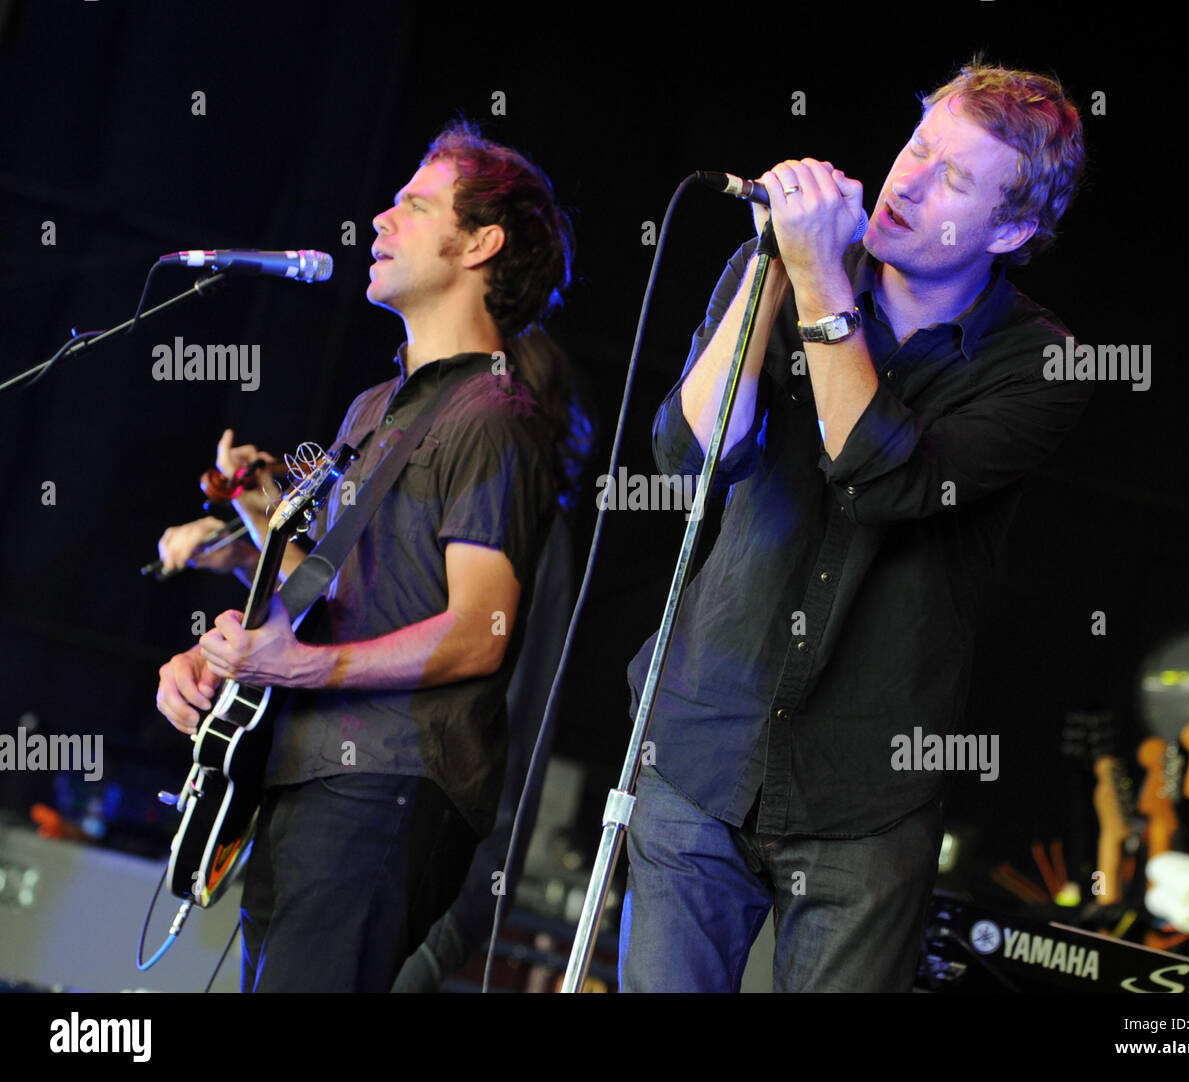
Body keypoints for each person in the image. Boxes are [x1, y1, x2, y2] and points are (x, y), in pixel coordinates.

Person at [621, 60, 1091, 992]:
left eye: (954, 177)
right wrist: (773, 264)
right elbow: (692, 458)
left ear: (1012, 229)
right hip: (701, 746)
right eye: (918, 147)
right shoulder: (785, 266)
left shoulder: (1047, 364)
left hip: (870, 793)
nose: (909, 181)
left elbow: (884, 480)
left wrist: (818, 281)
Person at [154, 121, 579, 992]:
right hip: (299, 776)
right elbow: (335, 589)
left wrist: (302, 667)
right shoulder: (373, 409)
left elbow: (480, 630)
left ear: (481, 242)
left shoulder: (496, 416)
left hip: (386, 786)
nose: (380, 222)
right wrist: (219, 652)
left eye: (414, 206)